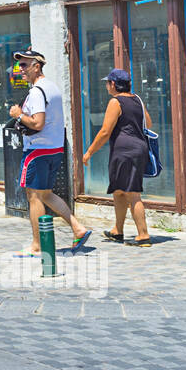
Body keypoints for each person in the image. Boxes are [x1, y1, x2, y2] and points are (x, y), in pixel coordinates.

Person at [7, 48, 91, 255]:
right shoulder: (51, 87)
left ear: (37, 66)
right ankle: (78, 228)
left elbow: (37, 123)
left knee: (34, 196)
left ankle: (37, 245)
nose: (21, 69)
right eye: (19, 65)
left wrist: (19, 115)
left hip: (38, 150)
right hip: (53, 149)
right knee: (46, 194)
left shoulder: (37, 91)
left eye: (25, 65)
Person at [81, 68, 154, 246]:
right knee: (119, 190)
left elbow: (106, 131)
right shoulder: (137, 100)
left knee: (132, 193)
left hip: (125, 151)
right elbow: (149, 124)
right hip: (138, 148)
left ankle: (143, 235)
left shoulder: (116, 102)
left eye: (107, 83)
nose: (106, 86)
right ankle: (117, 230)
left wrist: (90, 151)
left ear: (113, 84)